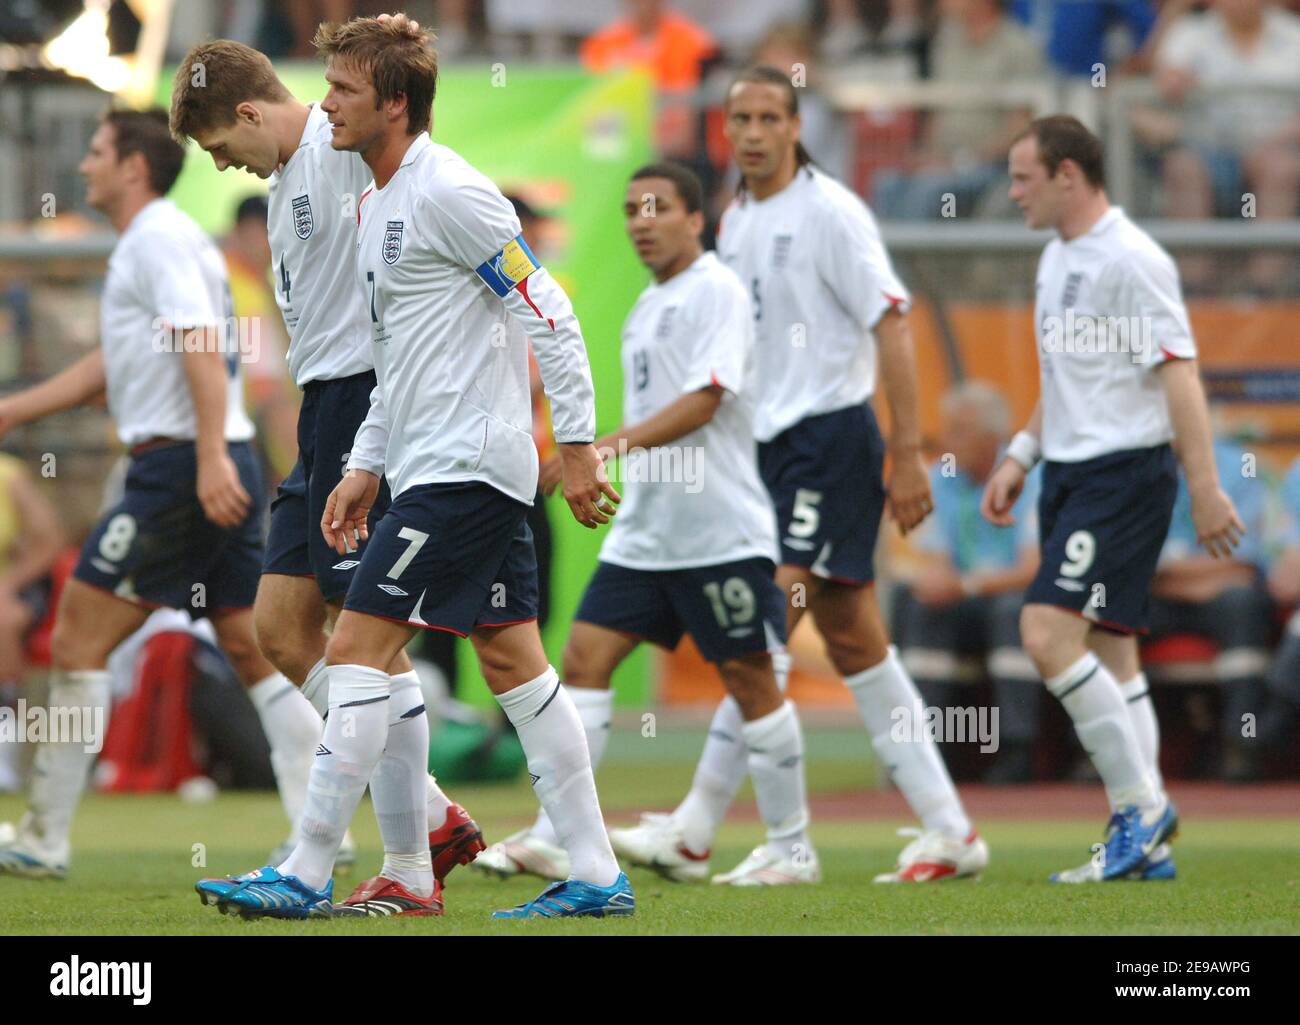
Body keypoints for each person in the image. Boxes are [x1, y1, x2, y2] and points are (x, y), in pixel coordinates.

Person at [196, 15, 631, 920]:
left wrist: (579, 445)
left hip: (468, 464)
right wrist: (361, 464)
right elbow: (394, 358)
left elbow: (546, 308)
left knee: (357, 647)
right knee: (513, 660)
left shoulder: (452, 192)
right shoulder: (380, 202)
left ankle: (312, 869)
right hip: (416, 451)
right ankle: (594, 872)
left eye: (344, 92)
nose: (325, 107)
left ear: (393, 103)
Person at [613, 66, 987, 884]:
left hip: (829, 440)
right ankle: (951, 828)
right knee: (853, 634)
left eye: (767, 118)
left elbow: (891, 323)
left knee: (763, 619)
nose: (751, 132)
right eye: (738, 118)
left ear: (794, 125)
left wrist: (910, 451)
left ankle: (702, 828)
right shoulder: (738, 213)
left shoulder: (831, 213)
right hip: (768, 449)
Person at [169, 31, 486, 912]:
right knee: (281, 628)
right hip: (324, 416)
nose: (223, 165)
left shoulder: (339, 150)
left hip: (365, 407)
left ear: (244, 114)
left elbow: (413, 156)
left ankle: (375, 859)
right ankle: (430, 815)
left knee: (363, 640)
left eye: (218, 147)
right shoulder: (284, 186)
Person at [476, 162, 817, 886]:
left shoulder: (716, 289)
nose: (640, 220)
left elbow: (706, 399)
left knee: (751, 678)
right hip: (649, 532)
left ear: (697, 219)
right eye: (631, 208)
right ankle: (557, 833)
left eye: (657, 207)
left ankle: (792, 846)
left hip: (719, 528)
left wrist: (601, 448)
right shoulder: (650, 303)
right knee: (585, 660)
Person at [0, 110, 294, 880]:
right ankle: (328, 826)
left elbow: (199, 340)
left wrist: (203, 458)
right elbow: (117, 361)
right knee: (253, 648)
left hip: (179, 469)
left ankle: (43, 835)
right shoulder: (166, 238)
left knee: (77, 640)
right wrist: (14, 409)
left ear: (133, 166)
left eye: (97, 153)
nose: (85, 166)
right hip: (211, 456)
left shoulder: (157, 239)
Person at [986, 114, 1244, 882]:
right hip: (1068, 470)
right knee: (1110, 651)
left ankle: (1138, 806)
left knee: (1044, 631)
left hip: (1122, 474)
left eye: (1025, 177)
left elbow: (1180, 375)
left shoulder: (1132, 260)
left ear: (1071, 175)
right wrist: (1020, 454)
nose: (1013, 191)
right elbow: (1066, 377)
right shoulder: (1059, 256)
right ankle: (1149, 845)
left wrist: (1205, 488)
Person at [893, 382, 1042, 784]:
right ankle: (923, 752)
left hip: (1023, 597)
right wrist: (935, 581)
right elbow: (939, 561)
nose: (947, 440)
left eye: (959, 431)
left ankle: (1016, 750)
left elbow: (1033, 569)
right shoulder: (943, 478)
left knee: (1013, 610)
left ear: (993, 439)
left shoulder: (1030, 475)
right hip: (970, 595)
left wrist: (965, 585)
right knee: (918, 603)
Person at [1148, 432, 1271, 781]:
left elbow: (1244, 563)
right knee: (1109, 608)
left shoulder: (1239, 466)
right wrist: (1196, 579)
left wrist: (1172, 575)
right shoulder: (1132, 469)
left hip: (1220, 596)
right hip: (1158, 593)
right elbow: (1130, 561)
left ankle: (1241, 746)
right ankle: (1107, 752)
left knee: (1242, 602)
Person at [0, 453, 66, 793]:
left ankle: (5, 745)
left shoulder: (9, 474)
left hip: (12, 591)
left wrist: (7, 586)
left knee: (4, 619)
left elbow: (50, 540)